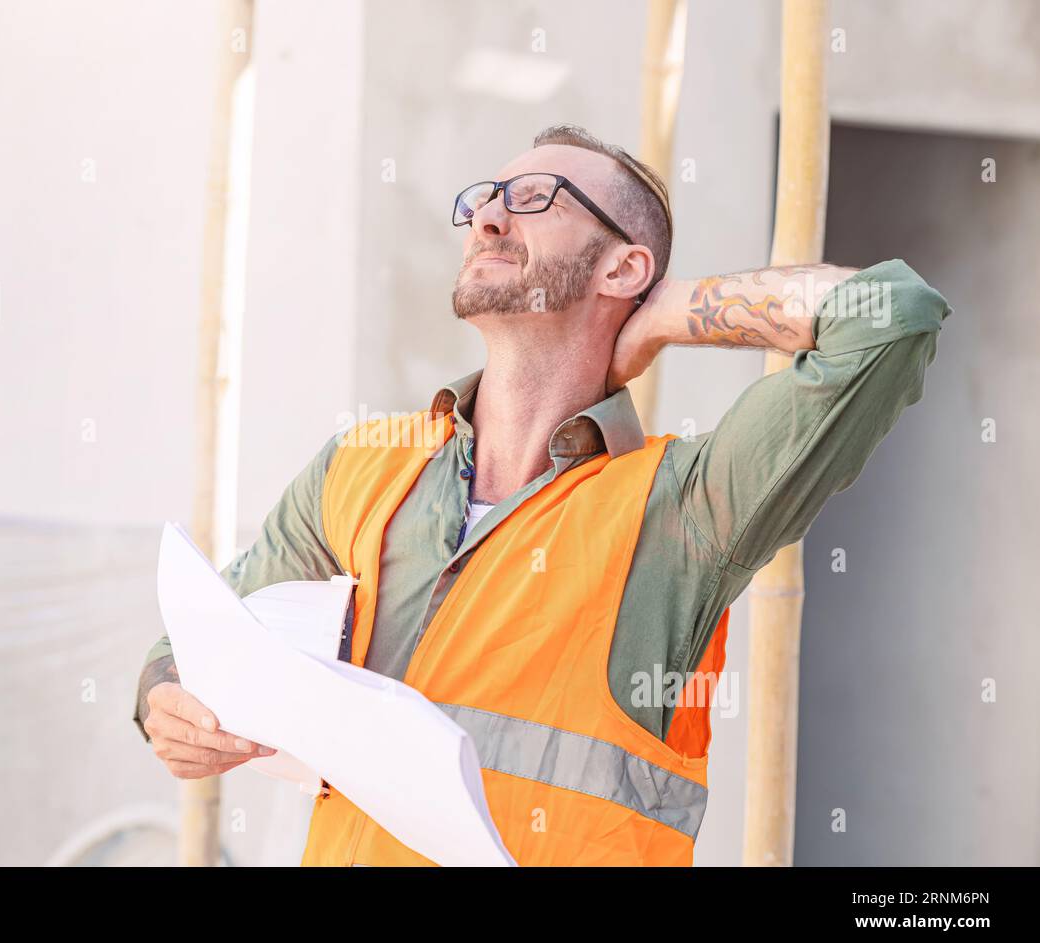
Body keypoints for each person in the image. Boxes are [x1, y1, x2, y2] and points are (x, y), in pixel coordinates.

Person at [134, 124, 951, 866]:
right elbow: (197, 640)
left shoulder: (682, 509)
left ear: (622, 266)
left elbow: (894, 316)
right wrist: (164, 700)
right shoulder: (359, 467)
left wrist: (670, 314)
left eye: (533, 201)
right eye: (486, 199)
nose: (489, 219)